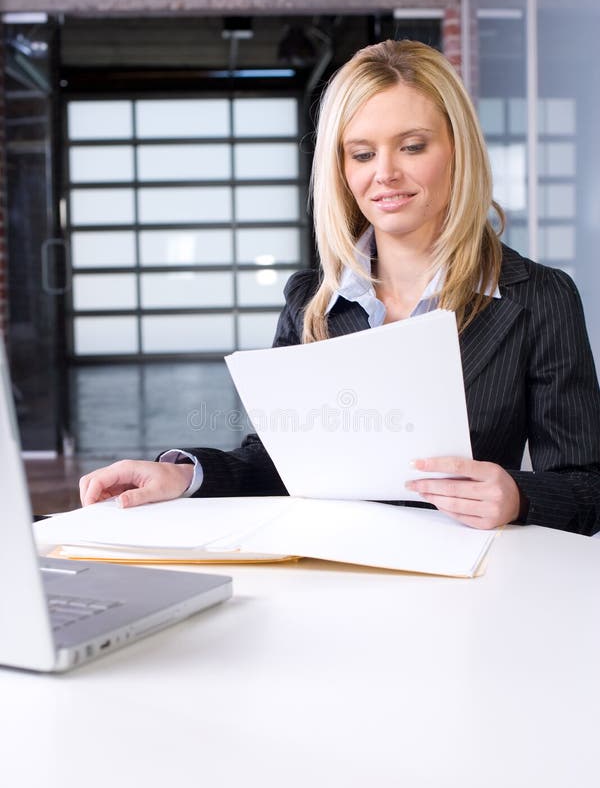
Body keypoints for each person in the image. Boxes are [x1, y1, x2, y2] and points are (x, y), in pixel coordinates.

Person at [80, 40, 600, 536]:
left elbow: (587, 487)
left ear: (458, 150)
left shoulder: (540, 297)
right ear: (341, 167)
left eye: (413, 146)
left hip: (462, 583)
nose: (386, 174)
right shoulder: (312, 302)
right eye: (362, 154)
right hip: (331, 576)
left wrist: (517, 496)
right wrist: (185, 475)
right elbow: (277, 463)